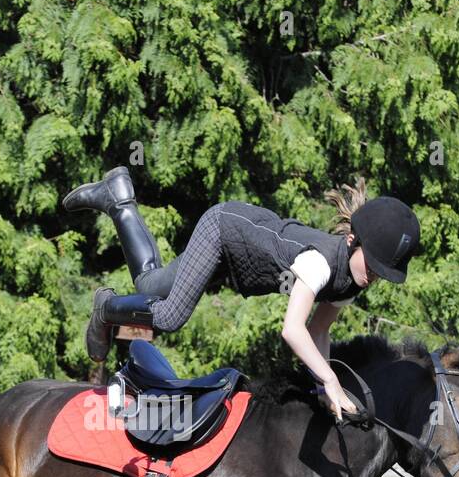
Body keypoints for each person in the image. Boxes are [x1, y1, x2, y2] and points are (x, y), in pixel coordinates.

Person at [62, 167, 421, 421]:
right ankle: (106, 307)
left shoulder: (350, 283)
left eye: (381, 273)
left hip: (235, 260)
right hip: (222, 230)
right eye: (372, 265)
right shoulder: (321, 262)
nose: (372, 276)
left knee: (148, 285)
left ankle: (118, 198)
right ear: (351, 240)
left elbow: (319, 332)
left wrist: (326, 388)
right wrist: (329, 379)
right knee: (171, 316)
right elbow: (293, 329)